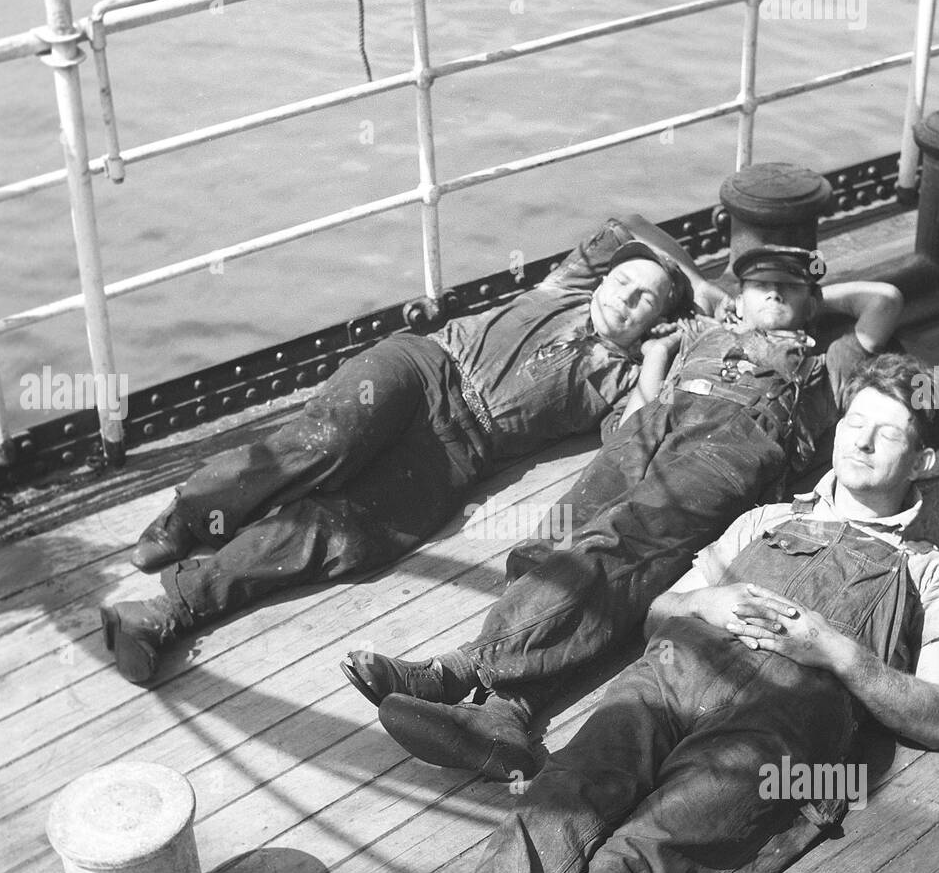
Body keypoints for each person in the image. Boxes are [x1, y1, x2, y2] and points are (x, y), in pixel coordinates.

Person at [306, 353, 939, 873]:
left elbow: (938, 713)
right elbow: (660, 611)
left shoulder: (931, 573)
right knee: (554, 810)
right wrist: (708, 605)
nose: (859, 442)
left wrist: (831, 648)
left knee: (644, 863)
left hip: (779, 734)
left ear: (921, 460)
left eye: (886, 434)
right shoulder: (767, 520)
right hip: (668, 679)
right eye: (855, 422)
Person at [346, 246, 905, 779]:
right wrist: (661, 357)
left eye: (789, 289)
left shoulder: (830, 358)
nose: (774, 294)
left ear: (812, 299)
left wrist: (808, 299)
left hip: (733, 445)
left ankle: (456, 671)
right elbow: (631, 235)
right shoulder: (702, 332)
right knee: (555, 543)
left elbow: (884, 298)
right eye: (762, 285)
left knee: (623, 545)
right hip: (654, 423)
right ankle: (504, 714)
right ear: (741, 293)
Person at [101, 213, 717, 684]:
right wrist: (696, 284)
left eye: (644, 301)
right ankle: (189, 513)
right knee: (325, 441)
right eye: (622, 281)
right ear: (602, 275)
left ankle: (167, 612)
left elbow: (631, 445)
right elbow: (623, 224)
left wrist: (658, 359)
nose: (623, 299)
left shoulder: (623, 380)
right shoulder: (565, 286)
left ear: (654, 323)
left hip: (463, 449)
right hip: (426, 367)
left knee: (344, 533)